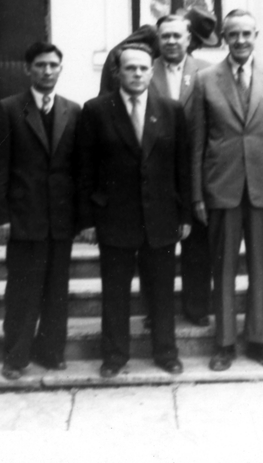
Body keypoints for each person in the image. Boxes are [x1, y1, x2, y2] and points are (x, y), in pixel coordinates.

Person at [77, 43, 192, 378]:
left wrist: (184, 215)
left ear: (152, 71)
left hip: (161, 217)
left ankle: (166, 352)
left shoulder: (171, 110)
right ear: (117, 72)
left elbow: (181, 168)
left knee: (162, 290)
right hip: (115, 218)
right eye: (130, 68)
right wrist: (87, 220)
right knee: (115, 292)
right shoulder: (96, 110)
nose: (138, 74)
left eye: (143, 68)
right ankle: (114, 356)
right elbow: (84, 169)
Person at [190, 9, 263, 371]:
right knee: (222, 268)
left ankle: (258, 339)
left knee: (261, 267)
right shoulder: (206, 79)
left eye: (246, 34)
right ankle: (224, 344)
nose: (240, 41)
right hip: (222, 187)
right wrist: (197, 195)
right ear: (224, 37)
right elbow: (197, 143)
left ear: (256, 35)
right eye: (233, 34)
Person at [0, 41, 81, 380]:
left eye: (53, 65)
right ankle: (15, 357)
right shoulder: (9, 109)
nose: (47, 71)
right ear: (28, 69)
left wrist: (81, 219)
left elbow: (78, 170)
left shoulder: (73, 110)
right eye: (40, 65)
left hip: (60, 221)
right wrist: (1, 217)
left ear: (60, 69)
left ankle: (51, 351)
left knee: (57, 290)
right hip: (24, 219)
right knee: (23, 292)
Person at [149, 14, 214, 327]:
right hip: (156, 171)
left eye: (177, 36)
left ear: (189, 39)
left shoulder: (207, 72)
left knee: (197, 244)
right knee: (154, 246)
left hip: (196, 168)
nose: (172, 42)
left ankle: (196, 306)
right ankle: (155, 310)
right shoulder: (144, 71)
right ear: (158, 40)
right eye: (166, 36)